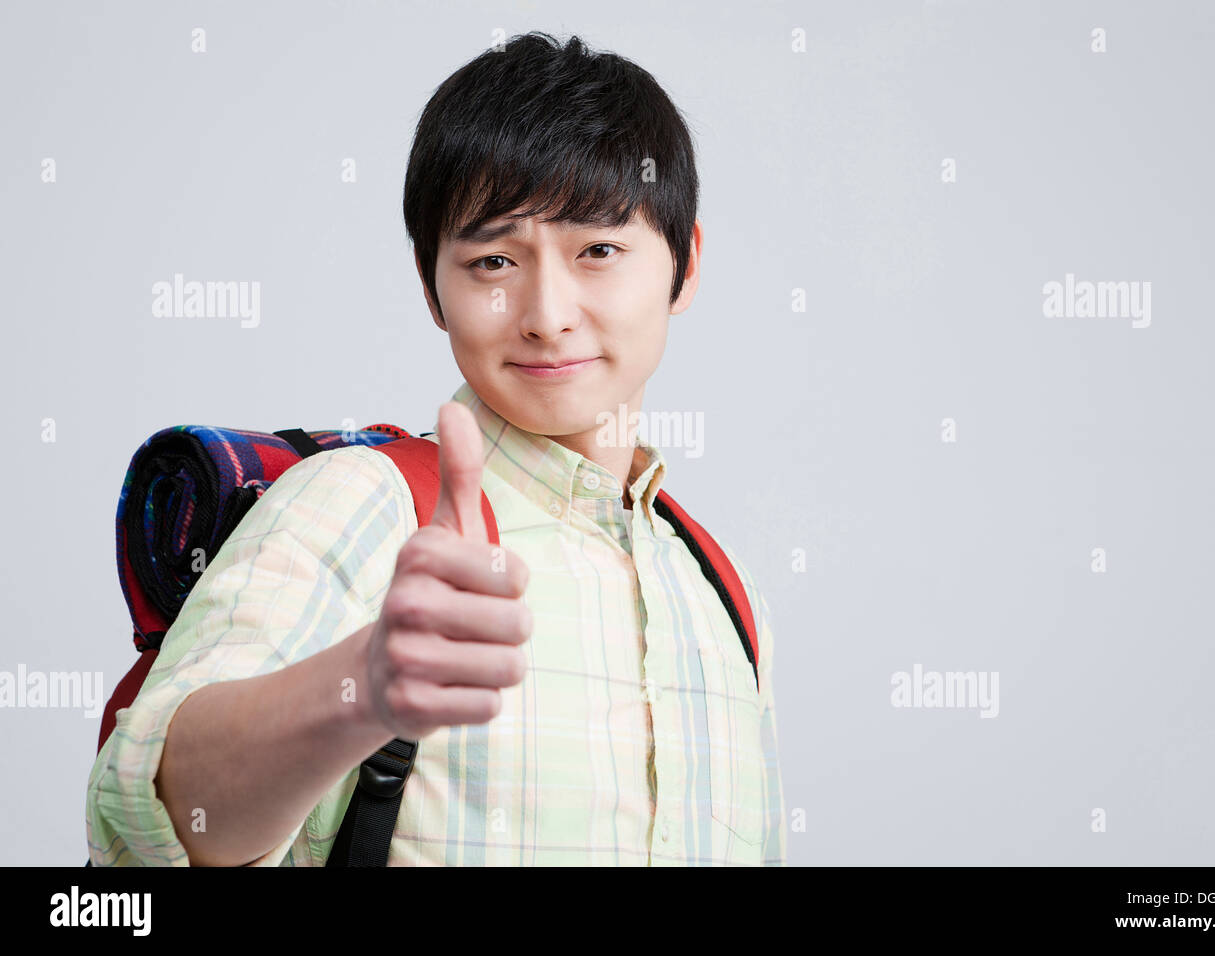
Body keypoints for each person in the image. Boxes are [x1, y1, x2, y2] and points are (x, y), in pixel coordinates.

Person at [86, 30, 785, 866]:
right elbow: (146, 820)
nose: (547, 315)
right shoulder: (362, 503)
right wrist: (363, 685)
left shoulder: (722, 591)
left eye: (598, 250)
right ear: (431, 287)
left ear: (685, 265)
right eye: (493, 261)